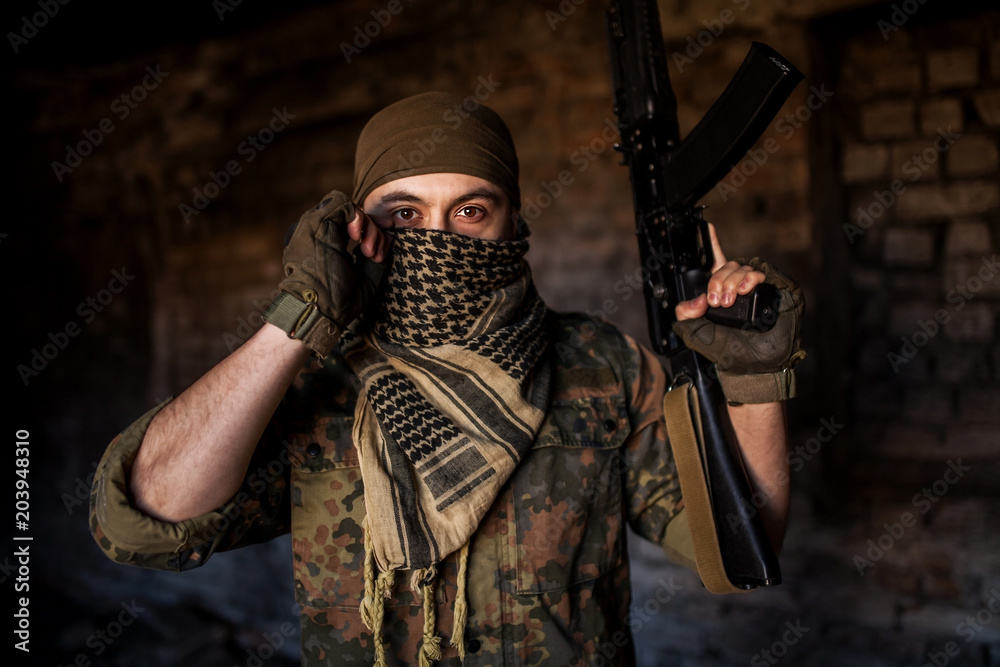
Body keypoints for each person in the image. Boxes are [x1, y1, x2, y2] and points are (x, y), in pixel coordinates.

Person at [90, 91, 804, 666]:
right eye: (405, 214)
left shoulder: (600, 364)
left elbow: (743, 551)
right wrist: (295, 321)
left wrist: (754, 379)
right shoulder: (321, 380)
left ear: (511, 224)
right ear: (360, 232)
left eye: (470, 211)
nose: (438, 238)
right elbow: (148, 518)